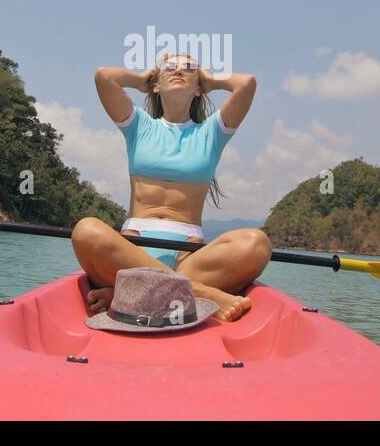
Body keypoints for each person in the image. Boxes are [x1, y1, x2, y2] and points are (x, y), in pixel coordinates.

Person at [71, 53, 270, 322]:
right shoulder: (139, 125)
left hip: (188, 256)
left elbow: (246, 84)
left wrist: (209, 79)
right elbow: (103, 77)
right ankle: (196, 291)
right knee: (86, 231)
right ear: (157, 83)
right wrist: (141, 79)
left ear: (198, 87)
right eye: (169, 67)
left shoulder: (211, 133)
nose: (178, 71)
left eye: (188, 68)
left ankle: (130, 291)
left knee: (257, 244)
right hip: (133, 247)